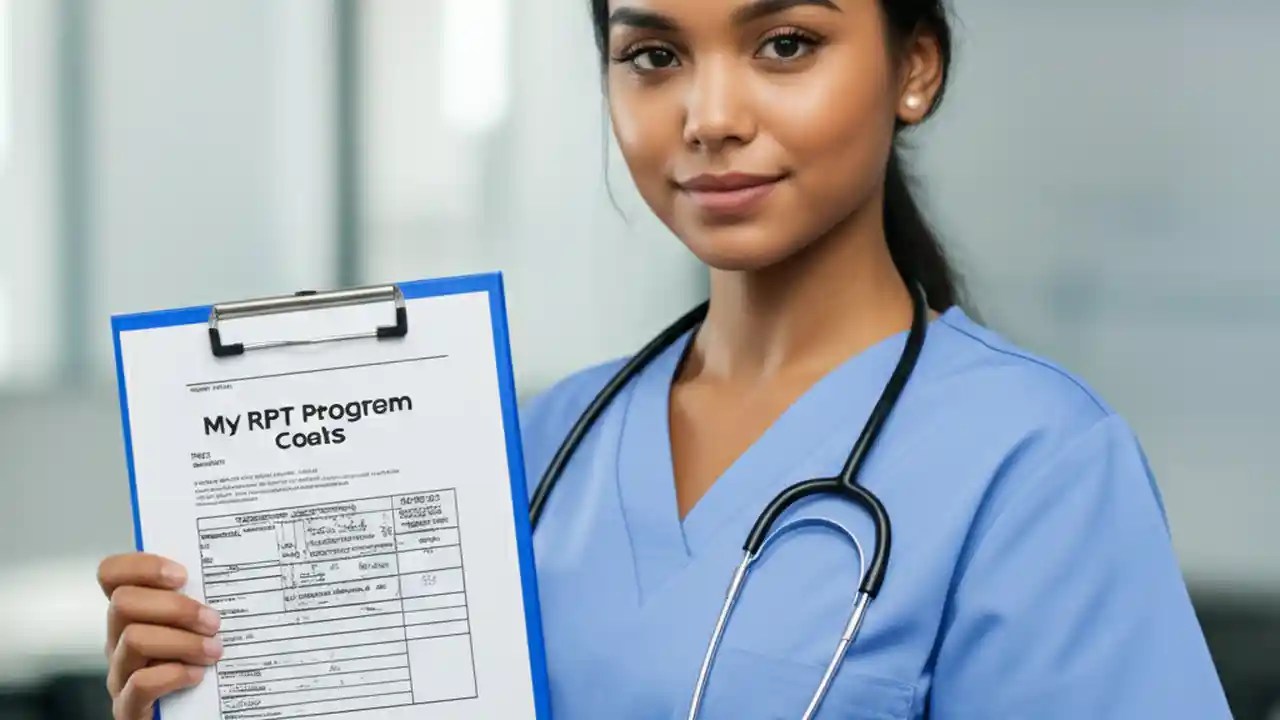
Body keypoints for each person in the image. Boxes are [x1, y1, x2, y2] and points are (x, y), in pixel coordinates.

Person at [96, 0, 1232, 718]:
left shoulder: (1034, 464)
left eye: (783, 44)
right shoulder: (533, 444)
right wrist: (206, 693)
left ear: (911, 68)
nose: (707, 115)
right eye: (651, 54)